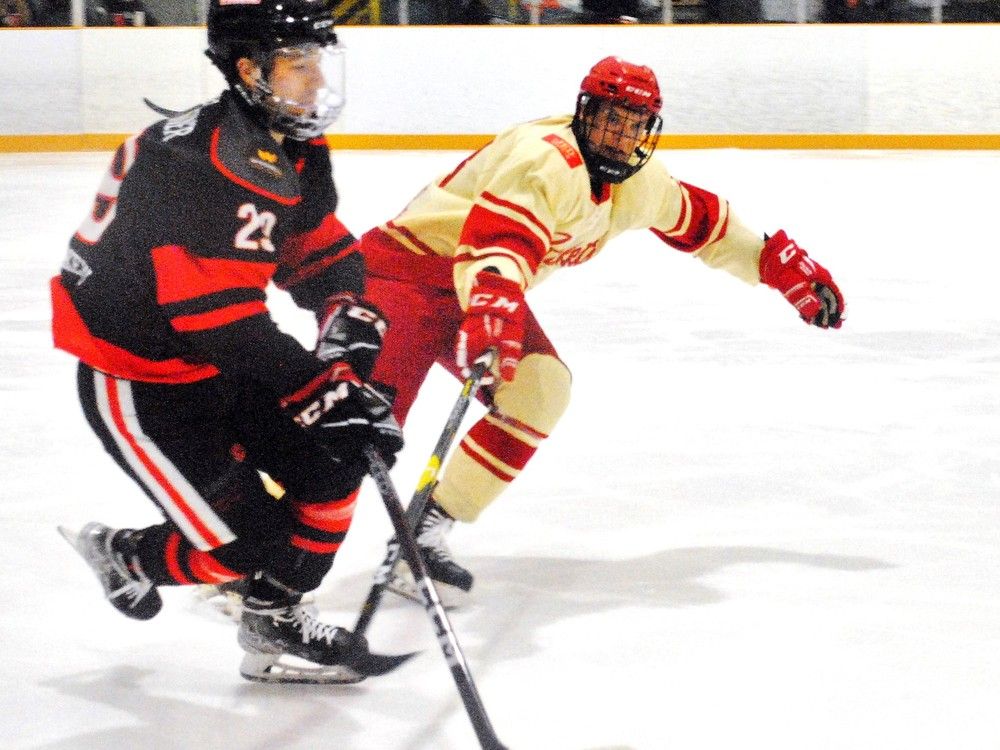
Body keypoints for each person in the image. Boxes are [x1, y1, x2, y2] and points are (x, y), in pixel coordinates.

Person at [353, 55, 845, 602]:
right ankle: (270, 568)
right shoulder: (544, 159)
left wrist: (774, 267)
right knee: (352, 431)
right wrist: (493, 302)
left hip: (483, 287)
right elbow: (501, 242)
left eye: (636, 125)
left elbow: (702, 222)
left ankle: (422, 532)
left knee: (541, 390)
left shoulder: (637, 181)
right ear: (585, 111)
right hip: (401, 275)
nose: (622, 136)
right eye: (613, 118)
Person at [51, 0, 408, 684]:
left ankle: (273, 617)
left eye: (319, 62)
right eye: (299, 65)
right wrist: (318, 386)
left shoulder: (288, 141)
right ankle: (127, 556)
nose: (317, 81)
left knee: (334, 466)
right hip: (140, 382)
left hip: (220, 362)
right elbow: (215, 321)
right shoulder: (189, 163)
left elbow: (320, 252)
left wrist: (345, 322)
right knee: (246, 546)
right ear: (250, 71)